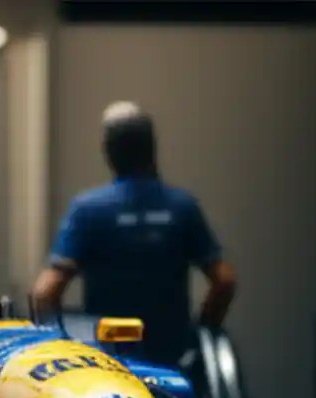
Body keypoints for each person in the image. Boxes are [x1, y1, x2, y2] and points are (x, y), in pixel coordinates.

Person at [31, 101, 237, 367]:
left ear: (109, 153)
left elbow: (44, 293)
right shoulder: (182, 207)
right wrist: (202, 332)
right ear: (152, 148)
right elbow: (224, 281)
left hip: (109, 363)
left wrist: (61, 347)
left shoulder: (88, 210)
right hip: (172, 359)